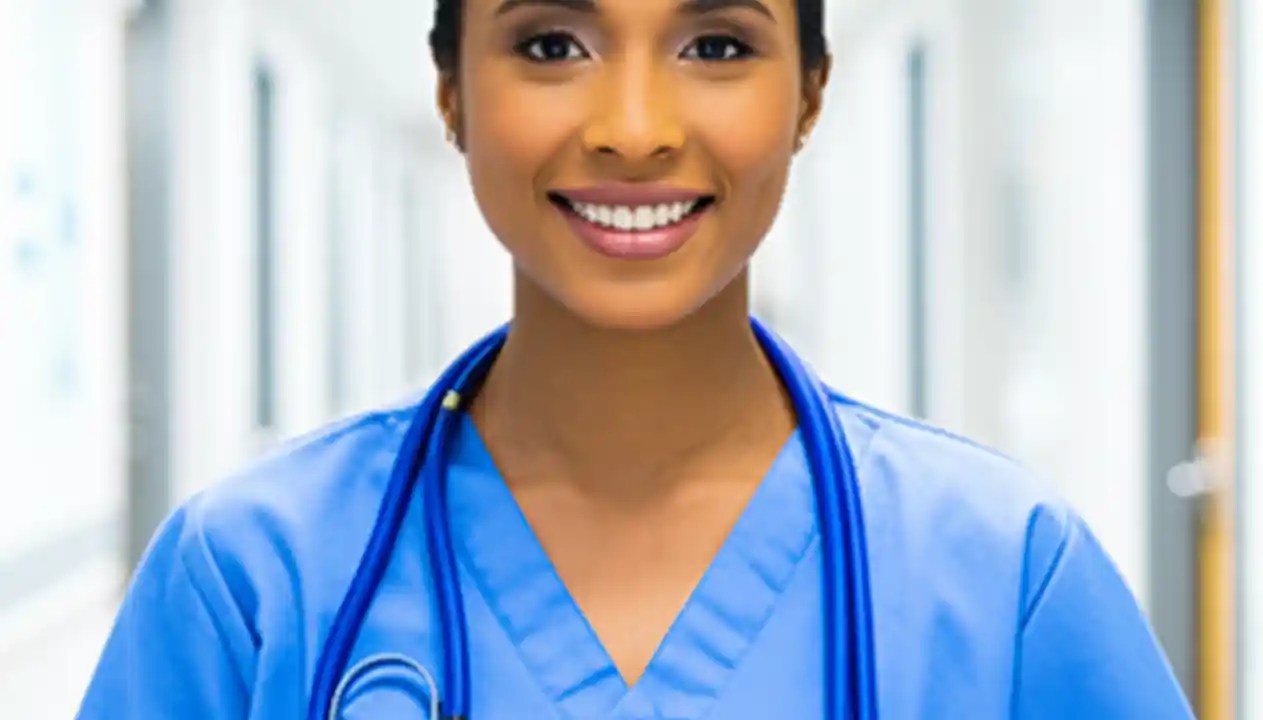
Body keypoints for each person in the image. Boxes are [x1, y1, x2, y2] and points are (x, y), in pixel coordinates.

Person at [79, 0, 1192, 717]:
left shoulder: (1000, 574)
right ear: (452, 91)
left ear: (807, 91)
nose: (633, 126)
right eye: (551, 44)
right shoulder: (254, 578)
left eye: (714, 45)